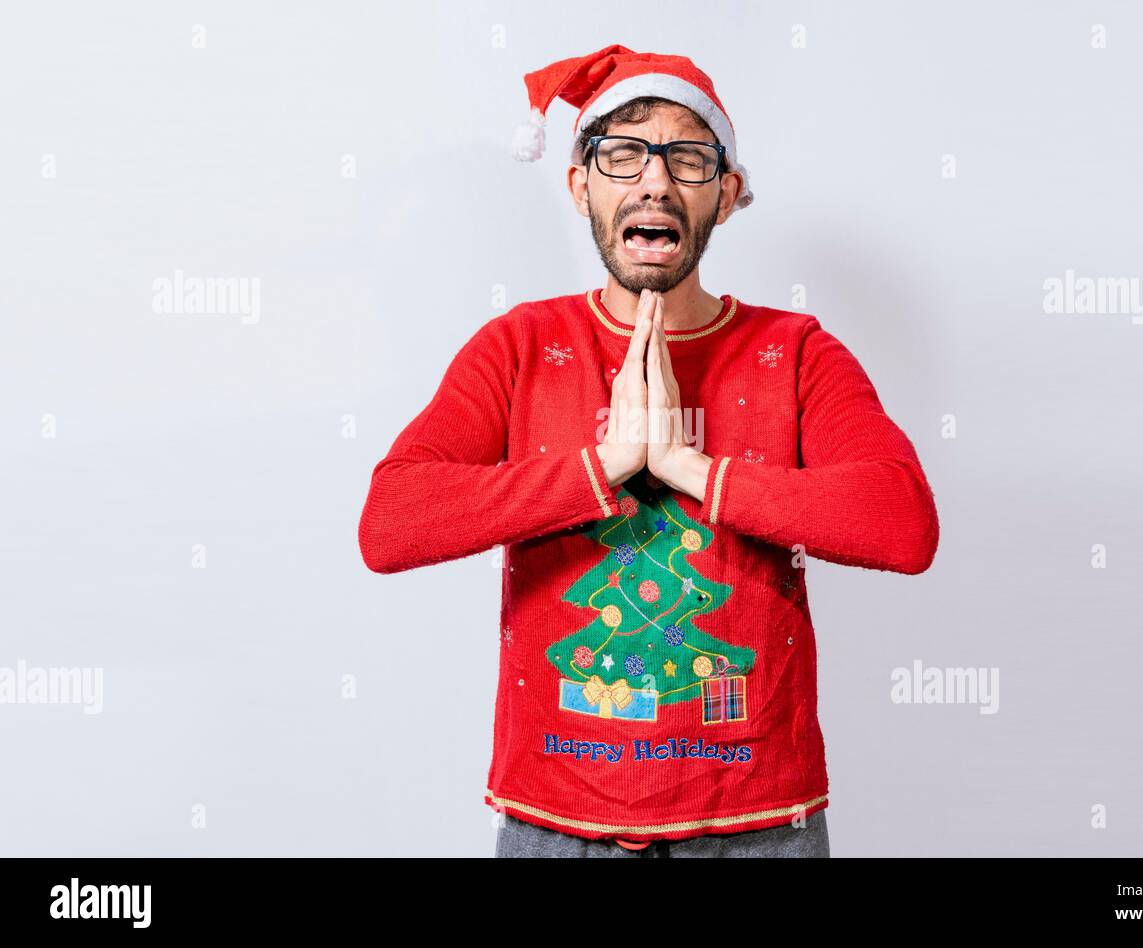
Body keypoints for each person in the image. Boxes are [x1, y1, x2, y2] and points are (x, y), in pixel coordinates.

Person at [358, 44, 940, 857]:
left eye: (689, 158)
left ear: (728, 194)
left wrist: (686, 469)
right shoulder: (518, 346)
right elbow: (391, 524)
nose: (655, 181)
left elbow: (901, 525)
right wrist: (603, 467)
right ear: (580, 185)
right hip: (559, 823)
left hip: (758, 825)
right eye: (622, 154)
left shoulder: (799, 351)